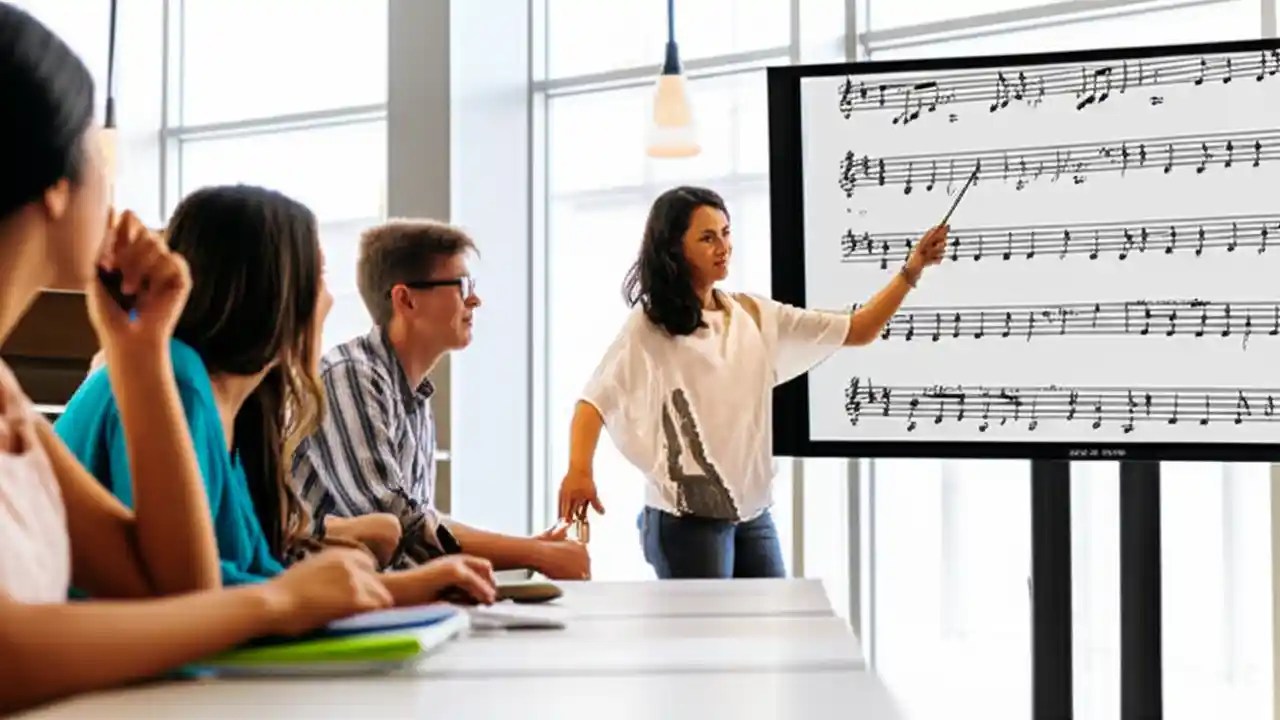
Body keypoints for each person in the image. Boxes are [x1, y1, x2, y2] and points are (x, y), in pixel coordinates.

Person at [0, 5, 391, 713]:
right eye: (95, 145)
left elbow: (178, 594)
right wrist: (274, 603)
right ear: (55, 186)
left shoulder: (8, 397)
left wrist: (139, 351)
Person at [55, 184, 497, 606]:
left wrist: (408, 590)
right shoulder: (178, 381)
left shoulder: (231, 406)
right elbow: (190, 593)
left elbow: (252, 575)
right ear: (275, 288)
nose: (327, 300)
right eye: (318, 275)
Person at [556, 186, 948, 580]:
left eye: (726, 232)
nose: (723, 246)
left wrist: (912, 269)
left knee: (769, 631)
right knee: (708, 641)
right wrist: (579, 472)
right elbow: (593, 402)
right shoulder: (651, 325)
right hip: (685, 521)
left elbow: (859, 329)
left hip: (752, 514)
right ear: (674, 249)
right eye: (707, 238)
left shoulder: (754, 315)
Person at [292, 219, 591, 580]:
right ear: (405, 299)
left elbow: (422, 519)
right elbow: (402, 526)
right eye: (461, 285)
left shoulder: (411, 394)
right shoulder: (350, 376)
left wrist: (531, 548)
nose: (474, 300)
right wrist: (534, 553)